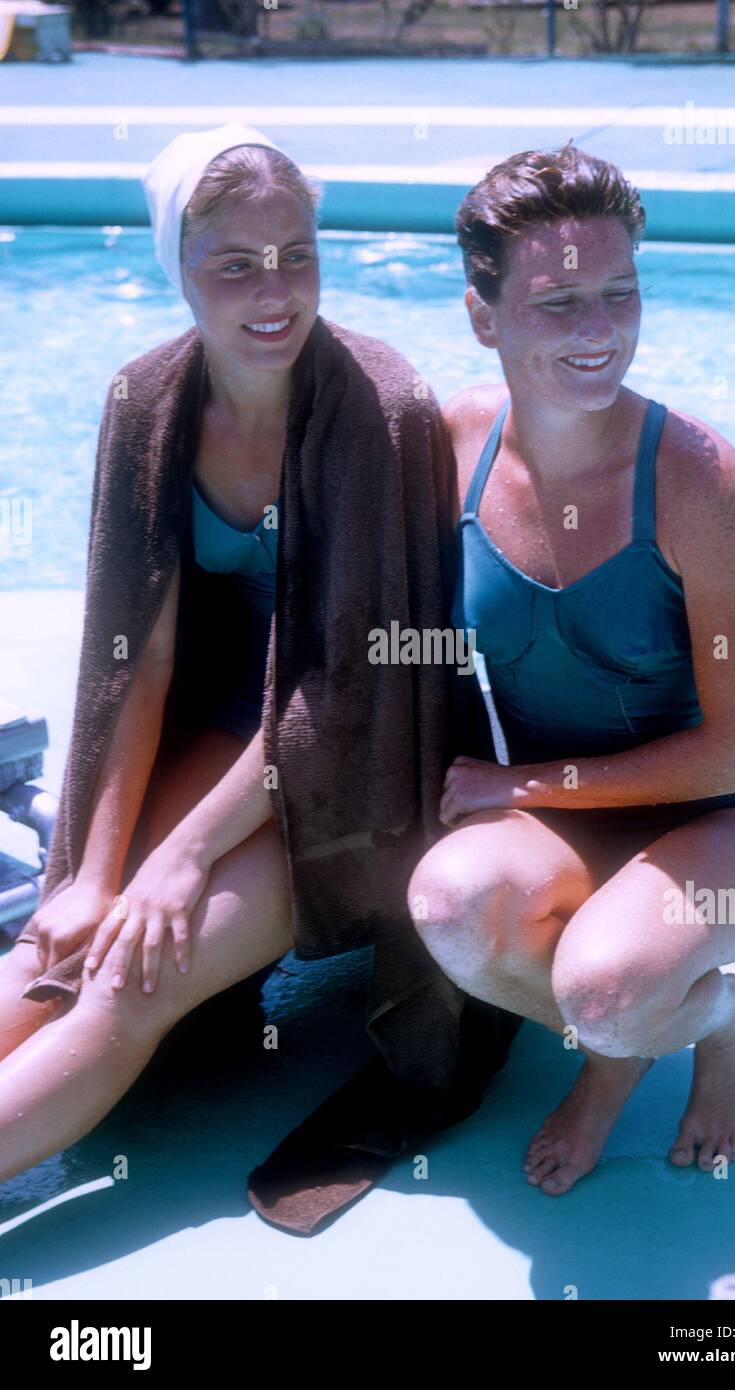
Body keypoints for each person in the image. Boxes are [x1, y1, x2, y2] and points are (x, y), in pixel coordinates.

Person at [0, 124, 478, 1201]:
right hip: (222, 727)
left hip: (351, 761)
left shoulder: (381, 409)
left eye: (297, 254)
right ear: (177, 268)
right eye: (236, 264)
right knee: (56, 948)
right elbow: (136, 659)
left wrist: (178, 860)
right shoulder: (148, 399)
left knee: (129, 975)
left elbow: (347, 692)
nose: (276, 292)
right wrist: (91, 866)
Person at [408, 145, 735, 1197]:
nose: (600, 329)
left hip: (734, 820)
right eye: (558, 301)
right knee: (452, 905)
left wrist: (520, 787)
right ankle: (642, 1022)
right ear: (482, 314)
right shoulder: (455, 441)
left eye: (620, 293)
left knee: (601, 990)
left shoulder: (699, 482)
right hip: (574, 828)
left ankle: (711, 1021)